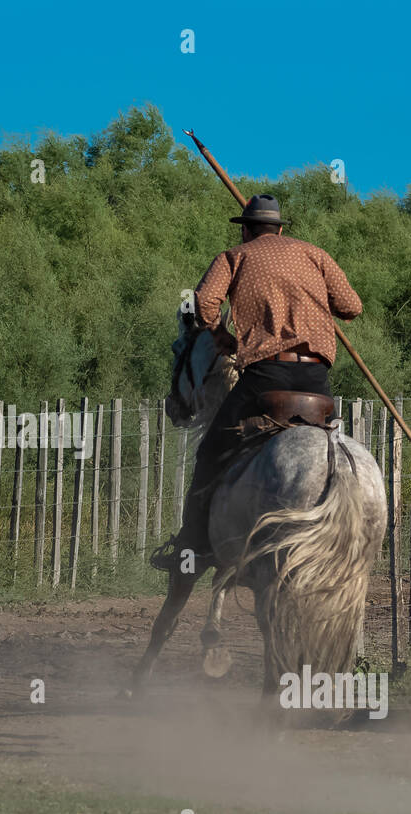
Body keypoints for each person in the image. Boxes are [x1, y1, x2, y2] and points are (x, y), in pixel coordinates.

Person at [150, 194, 363, 573]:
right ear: (280, 228)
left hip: (266, 377)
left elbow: (203, 304)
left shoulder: (234, 256)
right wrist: (314, 302)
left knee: (210, 454)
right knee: (336, 452)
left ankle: (193, 548)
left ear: (246, 229)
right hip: (316, 379)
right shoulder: (315, 254)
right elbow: (352, 306)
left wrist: (223, 338)